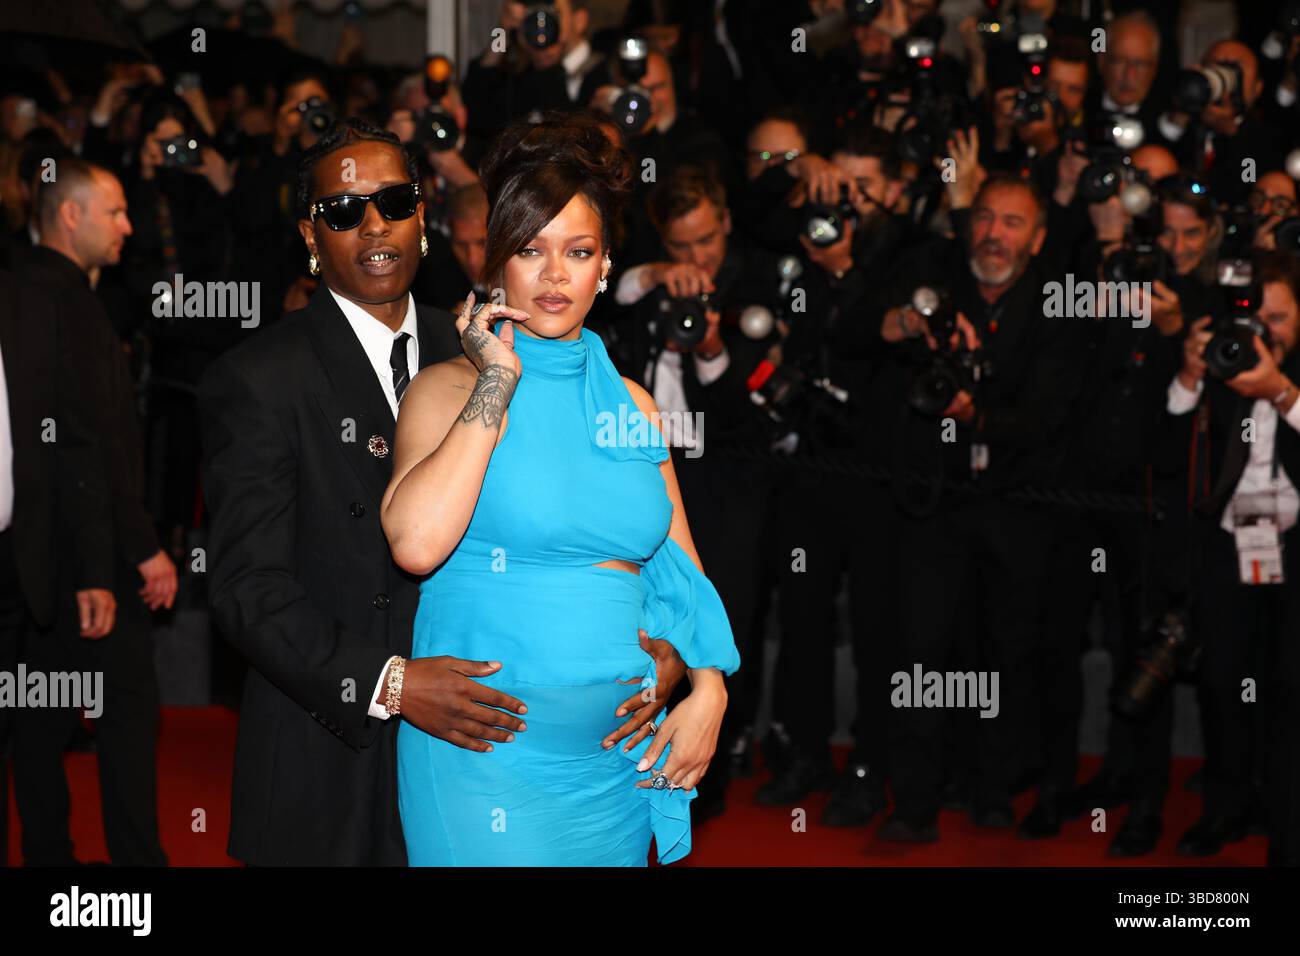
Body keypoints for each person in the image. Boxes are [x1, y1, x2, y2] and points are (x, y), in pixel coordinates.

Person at [383, 111, 738, 866]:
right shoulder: (446, 391)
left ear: (605, 266)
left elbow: (682, 570)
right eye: (530, 250)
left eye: (578, 252)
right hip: (483, 765)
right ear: (494, 264)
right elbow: (415, 545)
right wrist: (500, 382)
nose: (553, 276)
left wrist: (708, 690)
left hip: (617, 769)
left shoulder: (635, 407)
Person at [200, 119, 507, 865]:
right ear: (312, 235)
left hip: (472, 743)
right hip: (327, 753)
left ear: (422, 217)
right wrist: (393, 684)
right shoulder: (259, 378)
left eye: (395, 202)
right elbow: (248, 590)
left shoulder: (481, 350)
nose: (375, 226)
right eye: (344, 211)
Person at [11, 159, 173, 866]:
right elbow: (89, 444)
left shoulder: (24, 292)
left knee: (40, 724)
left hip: (31, 558)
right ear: (70, 215)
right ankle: (139, 871)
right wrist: (140, 549)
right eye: (114, 212)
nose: (128, 227)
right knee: (129, 719)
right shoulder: (67, 305)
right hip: (91, 554)